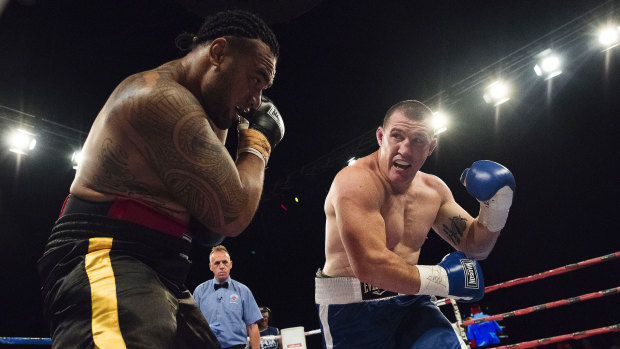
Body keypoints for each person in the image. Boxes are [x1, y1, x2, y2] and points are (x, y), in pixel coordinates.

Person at [37, 9, 284, 349]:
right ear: (218, 53)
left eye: (264, 87)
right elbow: (232, 214)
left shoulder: (210, 116)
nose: (256, 100)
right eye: (255, 79)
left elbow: (211, 228)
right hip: (107, 254)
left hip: (163, 268)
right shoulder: (162, 100)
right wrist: (259, 143)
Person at [314, 100, 515, 348]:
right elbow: (369, 265)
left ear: (431, 147)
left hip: (411, 300)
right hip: (351, 308)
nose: (405, 150)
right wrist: (442, 278)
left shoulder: (434, 189)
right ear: (380, 136)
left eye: (418, 140)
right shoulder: (355, 182)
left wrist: (496, 207)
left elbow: (476, 247)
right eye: (397, 136)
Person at [193, 245, 263, 349]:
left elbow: (253, 326)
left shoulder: (243, 291)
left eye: (225, 262)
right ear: (210, 266)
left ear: (230, 264)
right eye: (217, 263)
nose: (221, 266)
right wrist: (205, 329)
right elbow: (191, 324)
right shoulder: (199, 291)